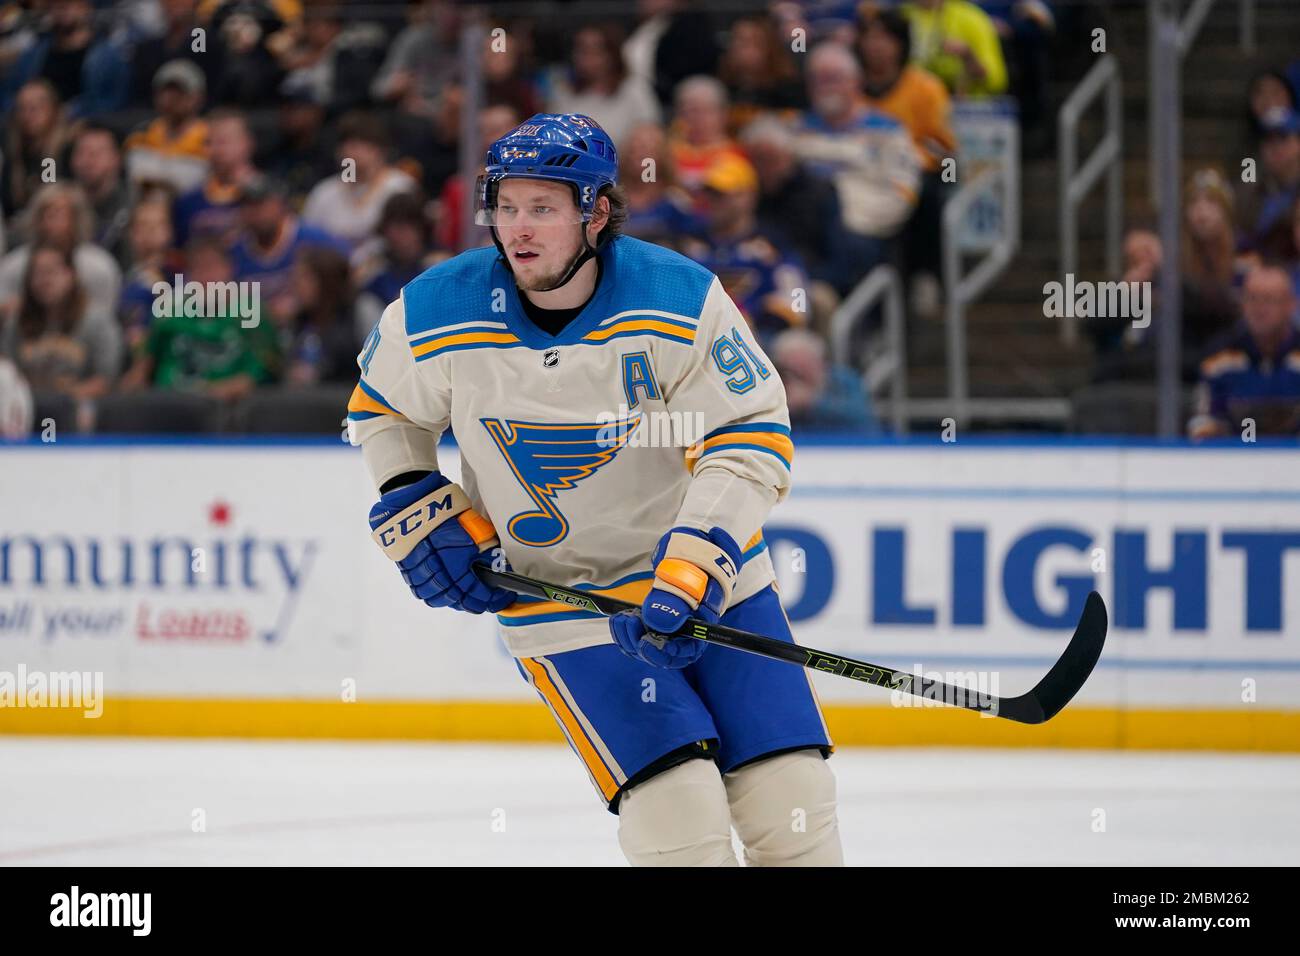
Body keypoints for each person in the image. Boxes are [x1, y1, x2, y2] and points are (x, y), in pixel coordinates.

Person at [348, 113, 841, 867]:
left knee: (791, 806)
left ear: (597, 212)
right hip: (562, 604)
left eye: (542, 208)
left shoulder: (679, 297)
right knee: (679, 814)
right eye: (506, 206)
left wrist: (697, 558)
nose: (518, 228)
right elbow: (383, 412)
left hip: (714, 584)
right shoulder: (435, 309)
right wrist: (419, 501)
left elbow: (750, 434)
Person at [1188, 263, 1300, 438]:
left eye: (1269, 299)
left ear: (1291, 305)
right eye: (1252, 298)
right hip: (1234, 458)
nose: (1259, 308)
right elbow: (1201, 421)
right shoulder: (1219, 357)